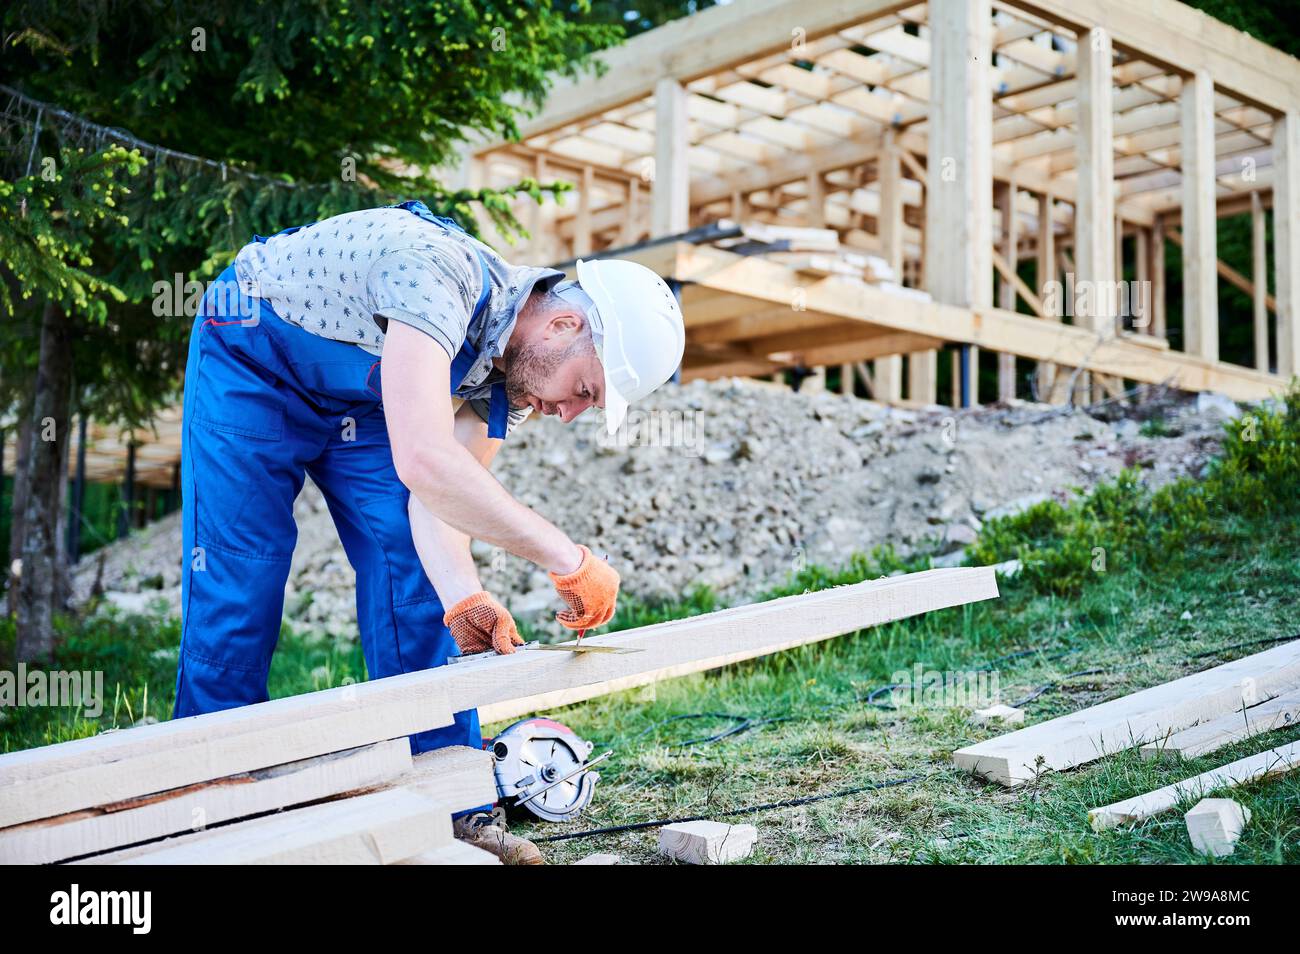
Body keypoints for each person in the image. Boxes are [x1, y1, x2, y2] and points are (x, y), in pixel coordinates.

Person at [173, 199, 685, 862]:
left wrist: (463, 594)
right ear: (563, 323)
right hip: (252, 358)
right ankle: (216, 804)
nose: (569, 413)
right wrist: (568, 558)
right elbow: (423, 457)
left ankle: (450, 804)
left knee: (416, 580)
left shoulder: (512, 381)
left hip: (362, 395)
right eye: (586, 390)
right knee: (241, 576)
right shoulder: (436, 273)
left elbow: (434, 501)